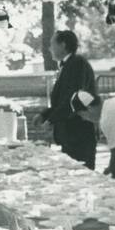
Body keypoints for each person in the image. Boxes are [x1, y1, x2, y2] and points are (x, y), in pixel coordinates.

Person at [39, 29, 101, 169]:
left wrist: (51, 120)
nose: (49, 48)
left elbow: (72, 100)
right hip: (69, 136)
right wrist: (44, 114)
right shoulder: (67, 65)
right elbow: (62, 100)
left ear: (63, 45)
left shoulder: (77, 63)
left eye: (52, 44)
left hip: (79, 135)